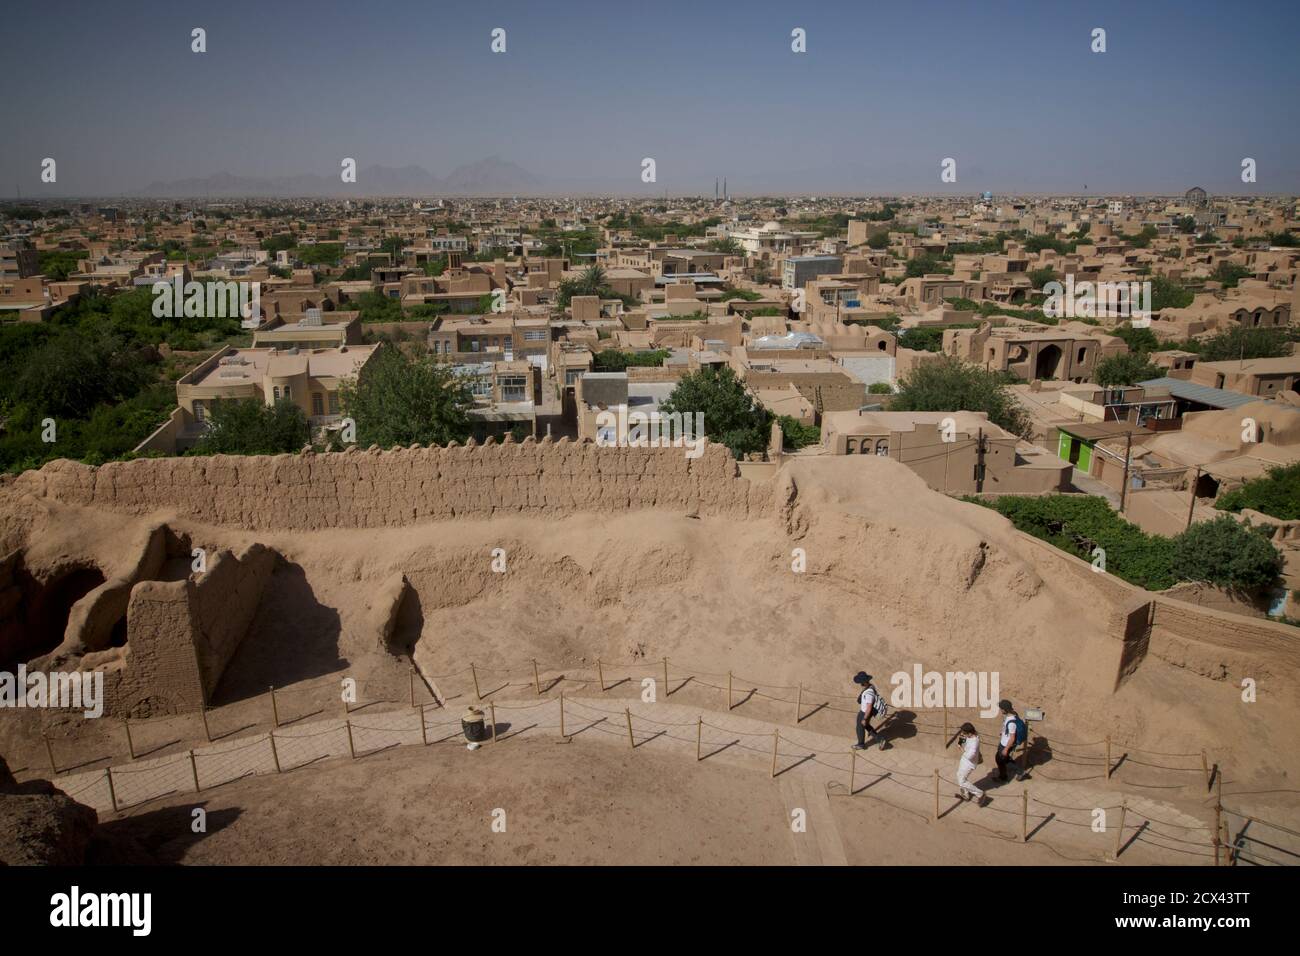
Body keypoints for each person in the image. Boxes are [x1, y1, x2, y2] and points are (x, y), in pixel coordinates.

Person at [954, 722, 988, 806]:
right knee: (959, 775)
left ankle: (980, 794)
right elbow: (962, 739)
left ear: (969, 733)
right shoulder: (970, 736)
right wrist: (961, 741)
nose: (962, 734)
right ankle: (965, 794)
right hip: (964, 760)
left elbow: (970, 755)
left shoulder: (974, 743)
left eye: (964, 733)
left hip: (969, 763)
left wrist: (961, 749)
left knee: (962, 781)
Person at [995, 699, 1024, 782]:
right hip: (1004, 742)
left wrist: (1006, 749)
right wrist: (1003, 732)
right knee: (1004, 759)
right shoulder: (1012, 714)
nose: (1000, 710)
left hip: (1005, 744)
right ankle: (1019, 772)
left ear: (1004, 709)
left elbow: (1012, 738)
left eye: (1001, 708)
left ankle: (1003, 777)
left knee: (1000, 760)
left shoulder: (1011, 722)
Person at [852, 671, 881, 750]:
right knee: (865, 725)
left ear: (864, 682)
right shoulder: (870, 687)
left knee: (860, 727)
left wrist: (865, 718)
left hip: (865, 712)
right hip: (865, 711)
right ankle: (880, 740)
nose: (860, 685)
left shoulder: (869, 693)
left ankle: (861, 744)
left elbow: (869, 706)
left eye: (861, 683)